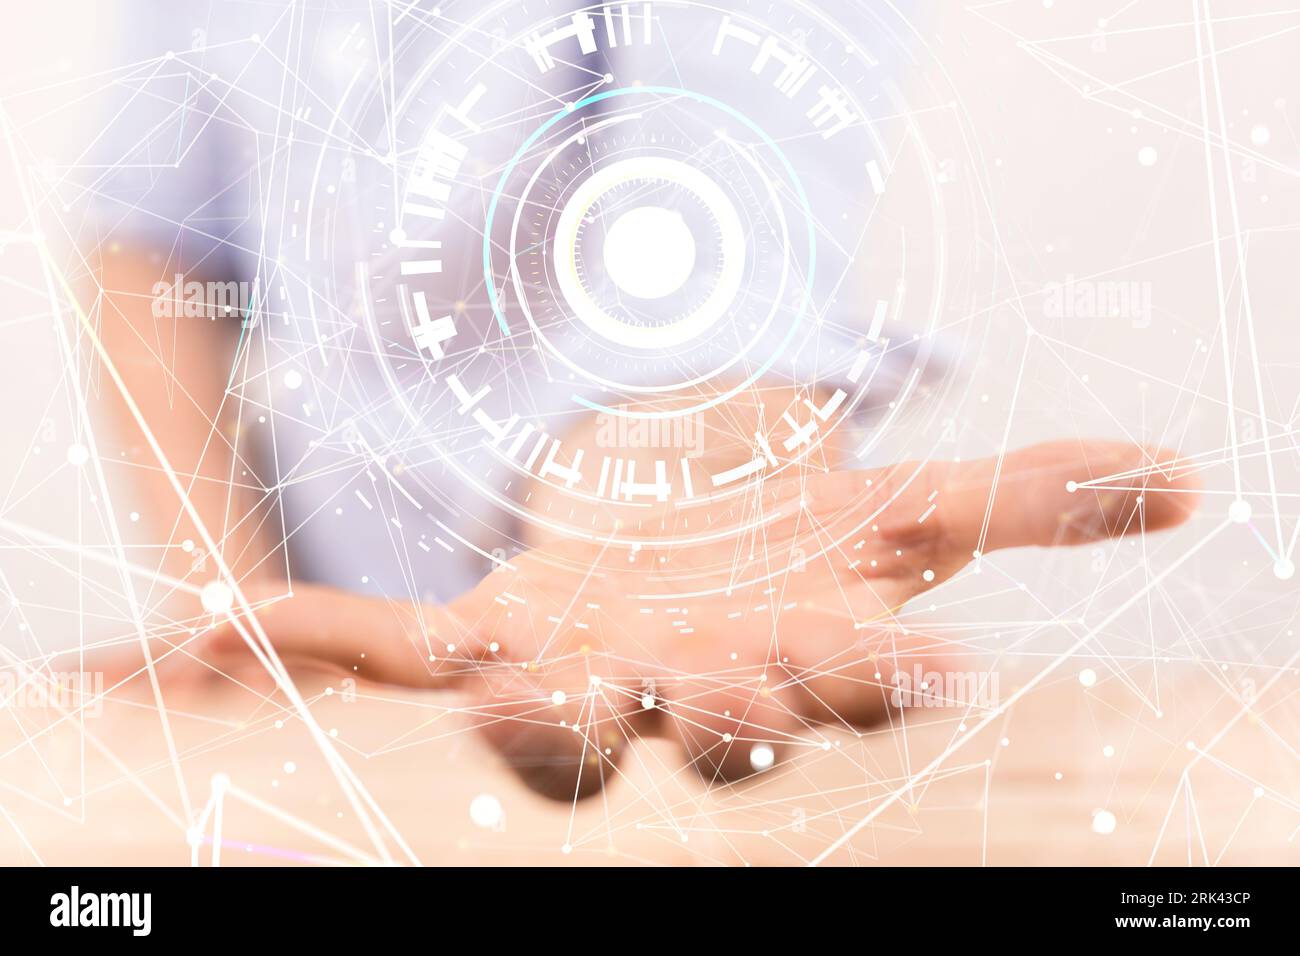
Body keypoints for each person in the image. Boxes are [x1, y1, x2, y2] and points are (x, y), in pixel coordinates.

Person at [81, 0, 1198, 799]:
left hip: (658, 695)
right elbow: (148, 248)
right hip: (318, 689)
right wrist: (224, 607)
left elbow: (725, 175)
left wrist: (688, 455)